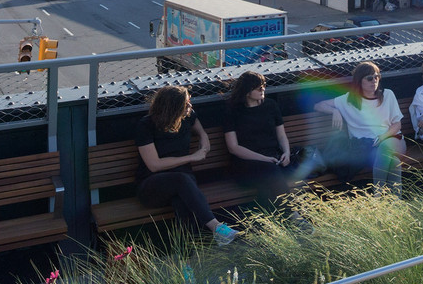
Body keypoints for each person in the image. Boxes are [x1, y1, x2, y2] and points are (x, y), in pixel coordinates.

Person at [136, 85, 237, 245]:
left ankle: (187, 263)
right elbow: (154, 165)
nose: (190, 107)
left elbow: (202, 134)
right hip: (153, 185)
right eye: (186, 104)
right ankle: (216, 227)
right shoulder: (146, 125)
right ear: (173, 107)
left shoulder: (188, 116)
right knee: (181, 180)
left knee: (182, 204)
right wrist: (191, 157)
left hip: (184, 182)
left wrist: (204, 147)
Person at [223, 71, 319, 201]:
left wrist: (286, 152)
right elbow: (233, 148)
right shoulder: (232, 110)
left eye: (263, 85)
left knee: (269, 179)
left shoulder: (270, 105)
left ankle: (274, 217)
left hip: (274, 158)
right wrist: (263, 159)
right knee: (270, 173)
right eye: (258, 87)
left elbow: (281, 135)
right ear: (247, 91)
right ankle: (293, 215)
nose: (263, 89)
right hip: (246, 163)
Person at [315, 62, 404, 188]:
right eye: (369, 78)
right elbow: (319, 105)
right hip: (367, 147)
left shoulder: (387, 94)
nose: (374, 81)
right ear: (359, 81)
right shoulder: (348, 100)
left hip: (392, 139)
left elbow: (397, 125)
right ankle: (394, 201)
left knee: (384, 149)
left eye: (377, 77)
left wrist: (383, 137)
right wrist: (334, 111)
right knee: (392, 161)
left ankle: (378, 196)